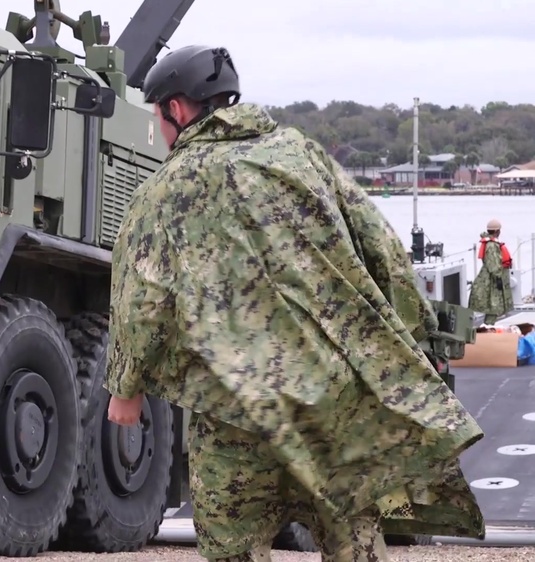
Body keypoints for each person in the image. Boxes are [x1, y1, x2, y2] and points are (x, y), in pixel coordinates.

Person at [103, 44, 485, 562]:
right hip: (334, 404)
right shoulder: (299, 153)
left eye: (159, 114)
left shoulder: (167, 187)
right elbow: (382, 248)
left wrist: (125, 390)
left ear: (178, 109)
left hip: (237, 411)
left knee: (232, 546)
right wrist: (410, 341)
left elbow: (141, 296)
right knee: (354, 541)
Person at [468, 219, 513, 325]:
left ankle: (489, 326)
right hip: (491, 281)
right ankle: (489, 327)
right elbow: (493, 264)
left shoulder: (490, 243)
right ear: (497, 231)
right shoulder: (492, 245)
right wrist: (498, 278)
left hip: (491, 278)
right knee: (494, 306)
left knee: (494, 306)